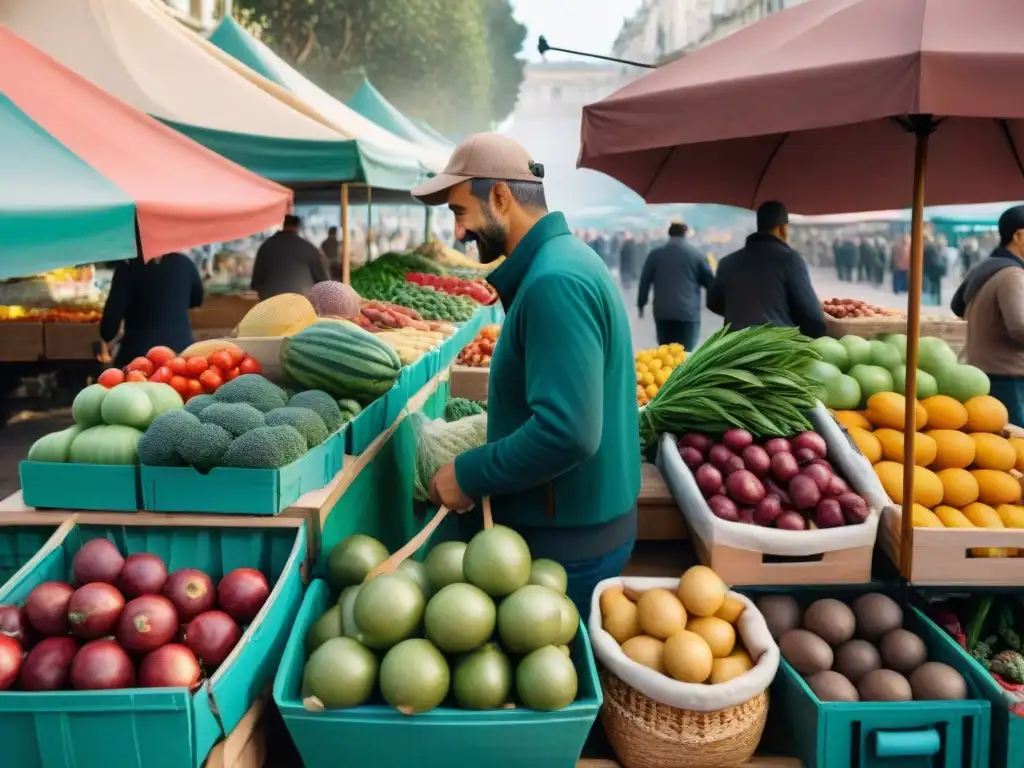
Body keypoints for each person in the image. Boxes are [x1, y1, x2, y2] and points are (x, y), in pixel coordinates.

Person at [411, 132, 640, 613]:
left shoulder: (554, 281)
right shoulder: (561, 264)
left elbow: (569, 431)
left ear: (500, 197)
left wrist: (470, 474)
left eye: (459, 212)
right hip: (577, 525)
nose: (457, 233)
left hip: (569, 545)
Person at [707, 201, 827, 338]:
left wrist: (743, 312)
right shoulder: (789, 260)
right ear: (782, 228)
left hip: (734, 347)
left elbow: (713, 303)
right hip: (776, 348)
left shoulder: (727, 262)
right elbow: (811, 315)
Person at [951, 205, 1024, 425]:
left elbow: (957, 305)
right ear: (1019, 236)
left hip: (985, 371)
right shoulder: (1012, 275)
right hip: (1008, 377)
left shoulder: (987, 266)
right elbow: (1020, 329)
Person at [100, 252, 203, 368]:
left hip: (138, 361)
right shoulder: (185, 263)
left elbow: (108, 328)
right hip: (181, 356)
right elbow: (197, 300)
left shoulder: (128, 267)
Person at [637, 221, 715, 351]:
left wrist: (641, 304)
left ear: (669, 234)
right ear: (686, 234)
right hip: (688, 314)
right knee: (686, 355)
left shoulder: (655, 254)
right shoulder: (697, 255)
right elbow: (710, 283)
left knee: (665, 355)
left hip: (663, 313)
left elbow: (644, 281)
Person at [250, 214, 329, 300]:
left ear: (283, 225)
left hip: (271, 303)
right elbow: (324, 282)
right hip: (300, 303)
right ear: (298, 227)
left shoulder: (266, 247)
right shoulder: (309, 248)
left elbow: (256, 283)